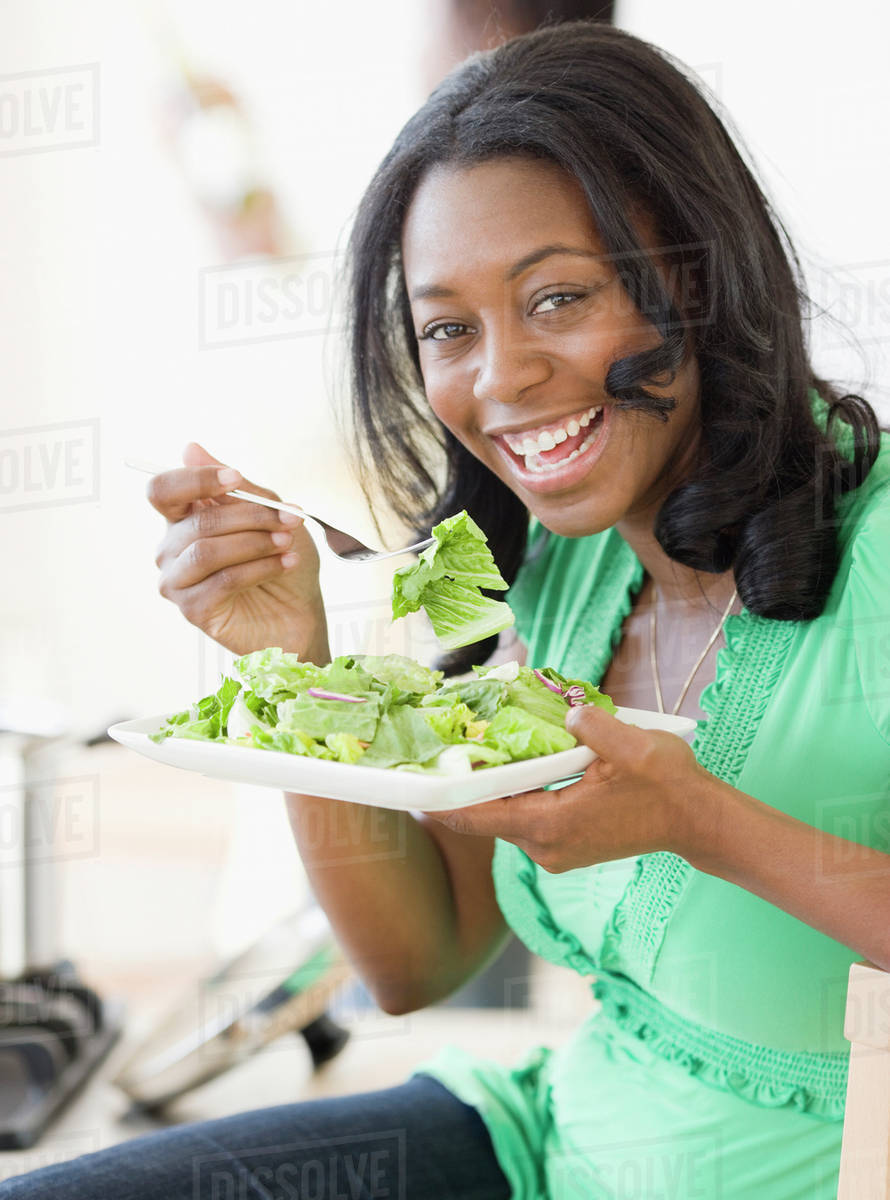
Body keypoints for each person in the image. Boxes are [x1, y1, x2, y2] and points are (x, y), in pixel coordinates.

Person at [4, 19, 889, 1200]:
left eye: (558, 298)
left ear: (694, 271)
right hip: (544, 1147)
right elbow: (418, 958)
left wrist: (699, 819)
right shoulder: (562, 570)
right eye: (447, 330)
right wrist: (299, 667)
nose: (499, 377)